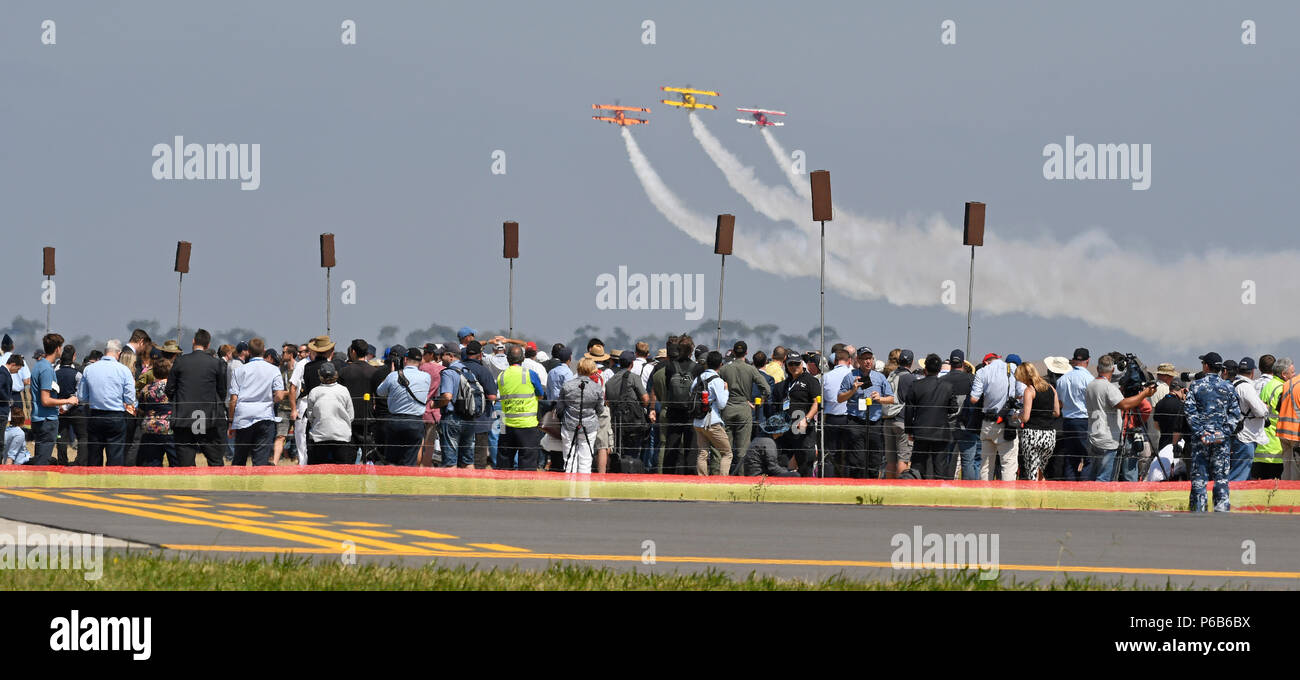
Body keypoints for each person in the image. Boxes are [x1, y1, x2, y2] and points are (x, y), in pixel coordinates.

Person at [1184, 352, 1243, 511]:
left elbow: (1190, 412)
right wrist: (1223, 434)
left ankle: (1198, 510)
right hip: (1221, 440)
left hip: (1201, 440)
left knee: (1199, 478)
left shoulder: (1196, 385)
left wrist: (1202, 433)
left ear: (1206, 366)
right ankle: (1222, 510)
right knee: (1221, 478)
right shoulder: (1229, 387)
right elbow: (1235, 414)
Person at [1084, 354, 1156, 481]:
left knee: (1093, 475)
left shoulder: (1091, 385)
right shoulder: (1109, 388)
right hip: (1107, 440)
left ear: (1097, 368)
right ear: (1112, 369)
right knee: (1104, 478)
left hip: (1093, 436)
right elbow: (1124, 405)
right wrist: (1145, 393)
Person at [165, 329, 228, 467]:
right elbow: (222, 392)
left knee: (185, 463)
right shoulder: (216, 363)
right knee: (215, 460)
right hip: (208, 418)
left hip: (184, 418)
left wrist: (177, 400)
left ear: (193, 341)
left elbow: (169, 389)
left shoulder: (180, 361)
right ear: (208, 344)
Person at [227, 338, 287, 467]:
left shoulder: (240, 370)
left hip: (243, 416)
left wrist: (231, 422)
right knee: (260, 462)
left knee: (239, 459)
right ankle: (258, 486)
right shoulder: (274, 370)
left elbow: (233, 400)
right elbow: (280, 395)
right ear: (264, 351)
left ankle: (236, 485)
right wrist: (270, 401)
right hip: (264, 415)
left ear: (248, 351)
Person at [77, 339, 137, 466]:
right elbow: (130, 399)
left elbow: (81, 397)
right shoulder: (124, 370)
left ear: (105, 352)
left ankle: (94, 483)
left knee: (94, 456)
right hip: (116, 416)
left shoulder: (89, 369)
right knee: (115, 457)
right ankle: (113, 484)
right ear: (119, 353)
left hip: (95, 415)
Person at [837, 346, 894, 479]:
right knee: (857, 459)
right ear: (858, 360)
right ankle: (856, 486)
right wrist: (852, 390)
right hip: (856, 421)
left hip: (875, 422)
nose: (868, 361)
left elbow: (891, 398)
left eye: (870, 358)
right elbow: (839, 399)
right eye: (864, 359)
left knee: (874, 459)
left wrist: (880, 398)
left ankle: (872, 486)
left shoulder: (879, 377)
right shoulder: (850, 377)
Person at [717, 341, 771, 476]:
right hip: (744, 408)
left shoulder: (724, 369)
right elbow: (767, 389)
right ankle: (741, 478)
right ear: (746, 353)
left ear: (734, 353)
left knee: (725, 449)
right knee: (742, 449)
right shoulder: (751, 369)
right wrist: (757, 402)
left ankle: (722, 477)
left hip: (727, 408)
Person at [969, 353, 1025, 480]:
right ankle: (1007, 497)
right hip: (1007, 423)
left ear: (987, 362)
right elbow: (1021, 394)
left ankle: (985, 498)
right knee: (1008, 464)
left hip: (988, 422)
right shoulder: (1013, 369)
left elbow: (973, 399)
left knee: (986, 465)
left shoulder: (982, 372)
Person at [375, 345, 433, 466]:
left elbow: (380, 392)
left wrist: (391, 374)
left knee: (391, 460)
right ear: (420, 361)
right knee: (410, 461)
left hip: (395, 421)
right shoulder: (426, 377)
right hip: (415, 421)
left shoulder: (393, 376)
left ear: (405, 360)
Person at [904, 354, 957, 479]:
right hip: (941, 432)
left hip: (921, 432)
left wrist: (909, 430)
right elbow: (954, 408)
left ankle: (919, 494)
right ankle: (940, 494)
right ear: (939, 370)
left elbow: (909, 410)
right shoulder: (948, 387)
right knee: (940, 467)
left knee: (918, 467)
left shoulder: (915, 385)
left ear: (925, 369)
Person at [29, 333, 78, 465]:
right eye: (60, 347)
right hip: (46, 420)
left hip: (39, 419)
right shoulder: (46, 369)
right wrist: (68, 401)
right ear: (57, 349)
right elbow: (46, 400)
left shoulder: (39, 366)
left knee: (40, 458)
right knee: (42, 462)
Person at [495, 345, 546, 471]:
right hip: (527, 425)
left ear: (507, 359)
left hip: (506, 425)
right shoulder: (530, 374)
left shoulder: (501, 376)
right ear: (523, 359)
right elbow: (540, 395)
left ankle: (504, 489)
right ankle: (525, 490)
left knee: (504, 463)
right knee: (527, 464)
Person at [1049, 348, 1092, 480]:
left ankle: (1069, 487)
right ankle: (1084, 489)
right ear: (1088, 361)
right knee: (1088, 458)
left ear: (1073, 360)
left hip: (1067, 420)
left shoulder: (1063, 379)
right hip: (1084, 420)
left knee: (1070, 458)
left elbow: (1060, 402)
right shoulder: (1089, 379)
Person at [773, 355, 820, 476]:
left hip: (803, 429)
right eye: (790, 364)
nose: (794, 367)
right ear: (786, 365)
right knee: (782, 462)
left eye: (796, 363)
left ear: (802, 364)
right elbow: (776, 407)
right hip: (785, 430)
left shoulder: (811, 380)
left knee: (805, 463)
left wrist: (807, 419)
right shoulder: (783, 384)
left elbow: (817, 403)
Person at [302, 361, 355, 464]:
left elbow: (310, 416)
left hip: (320, 435)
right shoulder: (344, 390)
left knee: (320, 470)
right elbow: (351, 415)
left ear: (320, 375)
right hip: (341, 435)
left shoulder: (314, 392)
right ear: (335, 374)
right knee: (341, 471)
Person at [658, 339, 698, 475]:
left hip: (674, 411)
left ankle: (668, 475)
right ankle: (690, 475)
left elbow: (669, 387)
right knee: (691, 447)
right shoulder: (697, 368)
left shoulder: (670, 367)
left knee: (671, 446)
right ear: (692, 350)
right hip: (690, 412)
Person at [556, 358, 603, 474]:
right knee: (586, 461)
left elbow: (560, 408)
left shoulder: (567, 385)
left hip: (569, 424)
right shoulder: (597, 388)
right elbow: (600, 409)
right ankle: (583, 490)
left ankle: (569, 488)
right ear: (592, 370)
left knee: (568, 460)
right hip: (589, 426)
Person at [605, 350, 651, 469]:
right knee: (633, 455)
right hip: (632, 422)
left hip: (616, 422)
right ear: (632, 363)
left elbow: (608, 403)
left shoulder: (610, 381)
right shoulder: (634, 377)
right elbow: (645, 399)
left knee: (620, 451)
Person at [1225, 359, 1268, 482]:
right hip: (1247, 435)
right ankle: (1230, 499)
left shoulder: (1232, 384)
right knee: (1240, 475)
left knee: (1239, 471)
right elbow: (1260, 411)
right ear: (1252, 372)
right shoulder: (1247, 387)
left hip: (1235, 433)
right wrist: (1265, 408)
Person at [1016, 363, 1060, 480]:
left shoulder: (1029, 390)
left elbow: (1025, 417)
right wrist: (1044, 413)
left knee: (1032, 473)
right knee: (1040, 471)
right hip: (1049, 435)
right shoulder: (1051, 388)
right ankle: (1042, 495)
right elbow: (1057, 412)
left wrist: (1016, 415)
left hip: (1032, 434)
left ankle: (1034, 497)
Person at [690, 351, 731, 476]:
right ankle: (723, 480)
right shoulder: (717, 380)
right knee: (727, 453)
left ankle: (702, 479)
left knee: (702, 453)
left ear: (706, 364)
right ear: (721, 364)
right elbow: (722, 404)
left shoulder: (697, 379)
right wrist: (726, 390)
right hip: (712, 421)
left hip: (697, 421)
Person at [941, 349, 980, 480]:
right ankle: (970, 494)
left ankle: (945, 488)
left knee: (946, 459)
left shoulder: (943, 380)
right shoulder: (971, 379)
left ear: (950, 363)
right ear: (963, 363)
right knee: (968, 462)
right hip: (967, 426)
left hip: (947, 426)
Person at [881, 349, 918, 477]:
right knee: (903, 460)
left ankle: (889, 489)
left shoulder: (891, 375)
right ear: (911, 362)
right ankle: (900, 489)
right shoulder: (911, 378)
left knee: (890, 461)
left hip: (887, 419)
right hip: (902, 421)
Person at [1255, 357, 1292, 479]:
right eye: (1292, 372)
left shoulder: (1269, 385)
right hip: (1275, 448)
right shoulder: (1282, 389)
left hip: (1263, 445)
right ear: (1284, 374)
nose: (1295, 375)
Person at [136, 357, 174, 466]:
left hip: (150, 427)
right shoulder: (172, 387)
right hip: (168, 427)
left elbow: (141, 409)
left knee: (152, 462)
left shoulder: (146, 389)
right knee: (175, 461)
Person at [54, 346, 86, 466]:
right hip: (76, 409)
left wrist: (62, 406)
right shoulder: (77, 374)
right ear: (74, 357)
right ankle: (81, 462)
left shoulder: (55, 373)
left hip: (60, 408)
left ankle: (62, 462)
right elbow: (80, 394)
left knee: (61, 436)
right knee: (82, 436)